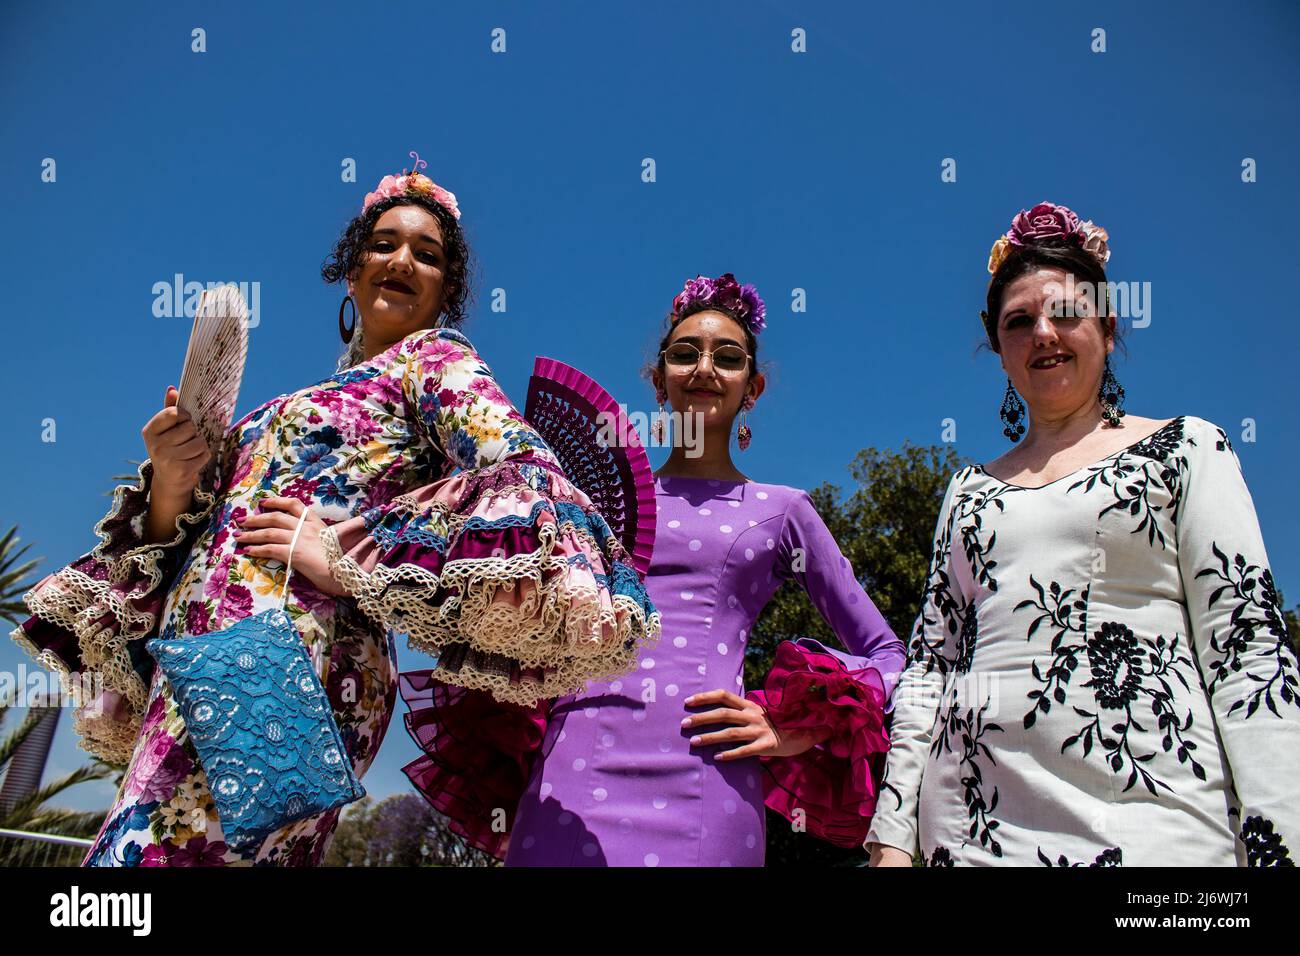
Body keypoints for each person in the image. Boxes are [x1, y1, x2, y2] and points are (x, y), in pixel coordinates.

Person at [10, 155, 656, 866]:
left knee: (154, 862)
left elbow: (522, 474)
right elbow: (176, 541)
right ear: (352, 273)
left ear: (447, 294)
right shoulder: (294, 402)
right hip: (195, 657)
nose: (402, 258)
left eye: (428, 254)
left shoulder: (435, 362)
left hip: (295, 657)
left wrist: (351, 562)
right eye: (384, 243)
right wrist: (171, 479)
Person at [402, 272, 905, 865]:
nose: (704, 368)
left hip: (707, 776)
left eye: (728, 357)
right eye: (684, 354)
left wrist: (788, 726)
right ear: (659, 381)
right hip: (571, 768)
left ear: (754, 387)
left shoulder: (785, 510)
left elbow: (887, 655)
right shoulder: (587, 498)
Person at [866, 201, 1300, 867]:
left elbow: (1248, 653)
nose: (1043, 332)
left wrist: (1283, 847)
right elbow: (930, 667)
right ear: (998, 346)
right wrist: (893, 840)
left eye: (1065, 313)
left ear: (1108, 324)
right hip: (971, 840)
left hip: (1158, 835)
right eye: (1019, 322)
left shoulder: (1185, 449)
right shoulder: (968, 491)